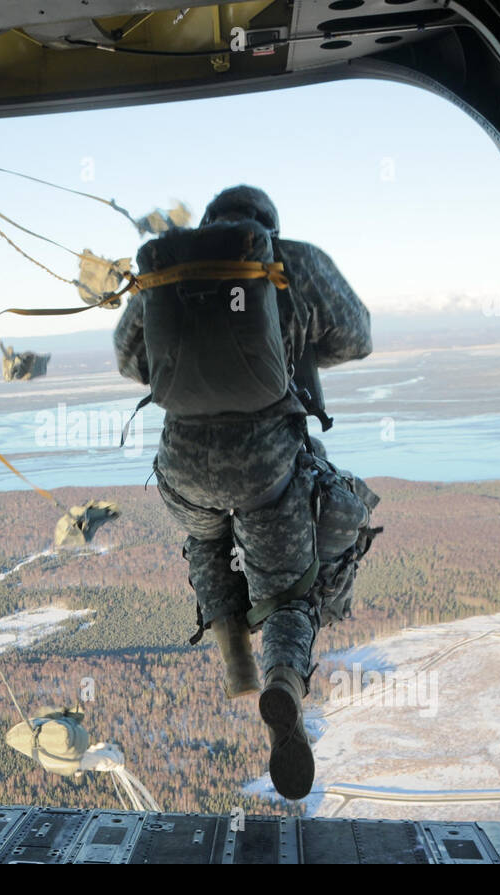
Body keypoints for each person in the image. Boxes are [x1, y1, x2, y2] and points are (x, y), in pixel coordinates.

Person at [113, 185, 375, 799]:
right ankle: (283, 679)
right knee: (292, 588)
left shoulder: (169, 268)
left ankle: (233, 646)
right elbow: (357, 335)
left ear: (210, 224)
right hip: (269, 466)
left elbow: (132, 358)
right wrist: (293, 341)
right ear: (266, 226)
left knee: (206, 537)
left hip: (181, 462)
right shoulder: (291, 261)